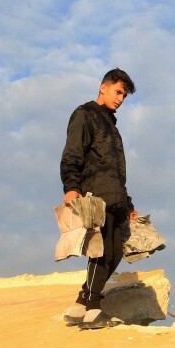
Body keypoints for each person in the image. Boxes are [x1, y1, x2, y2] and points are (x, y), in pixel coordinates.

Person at [60, 68, 137, 328]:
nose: (120, 99)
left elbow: (116, 170)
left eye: (124, 96)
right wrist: (71, 186)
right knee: (100, 251)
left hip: (115, 198)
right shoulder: (85, 114)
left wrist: (129, 206)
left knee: (115, 253)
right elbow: (73, 152)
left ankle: (80, 306)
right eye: (118, 92)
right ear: (103, 87)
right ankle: (93, 309)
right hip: (95, 196)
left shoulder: (112, 125)